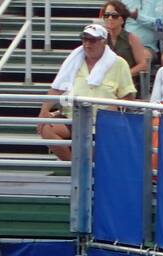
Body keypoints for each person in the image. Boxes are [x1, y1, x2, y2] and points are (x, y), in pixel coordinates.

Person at [38, 23, 135, 162]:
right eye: (85, 40)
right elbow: (57, 88)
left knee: (97, 154)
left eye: (92, 40)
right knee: (46, 128)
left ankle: (84, 168)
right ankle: (74, 165)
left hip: (103, 121)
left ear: (103, 41)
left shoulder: (119, 63)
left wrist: (112, 109)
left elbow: (128, 96)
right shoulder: (73, 61)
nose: (88, 44)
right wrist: (44, 111)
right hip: (73, 117)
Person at [100, 0, 150, 77]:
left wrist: (123, 75)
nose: (110, 18)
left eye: (114, 15)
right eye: (106, 15)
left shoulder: (131, 38)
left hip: (126, 83)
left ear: (122, 20)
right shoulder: (100, 38)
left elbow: (143, 65)